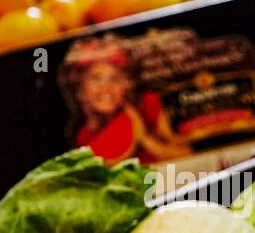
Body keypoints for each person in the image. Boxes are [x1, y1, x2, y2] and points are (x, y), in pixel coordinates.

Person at [61, 36, 190, 162]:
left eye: (115, 78)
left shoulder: (149, 103)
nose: (106, 88)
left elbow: (184, 152)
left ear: (125, 85)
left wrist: (143, 136)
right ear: (81, 91)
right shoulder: (85, 134)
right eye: (95, 78)